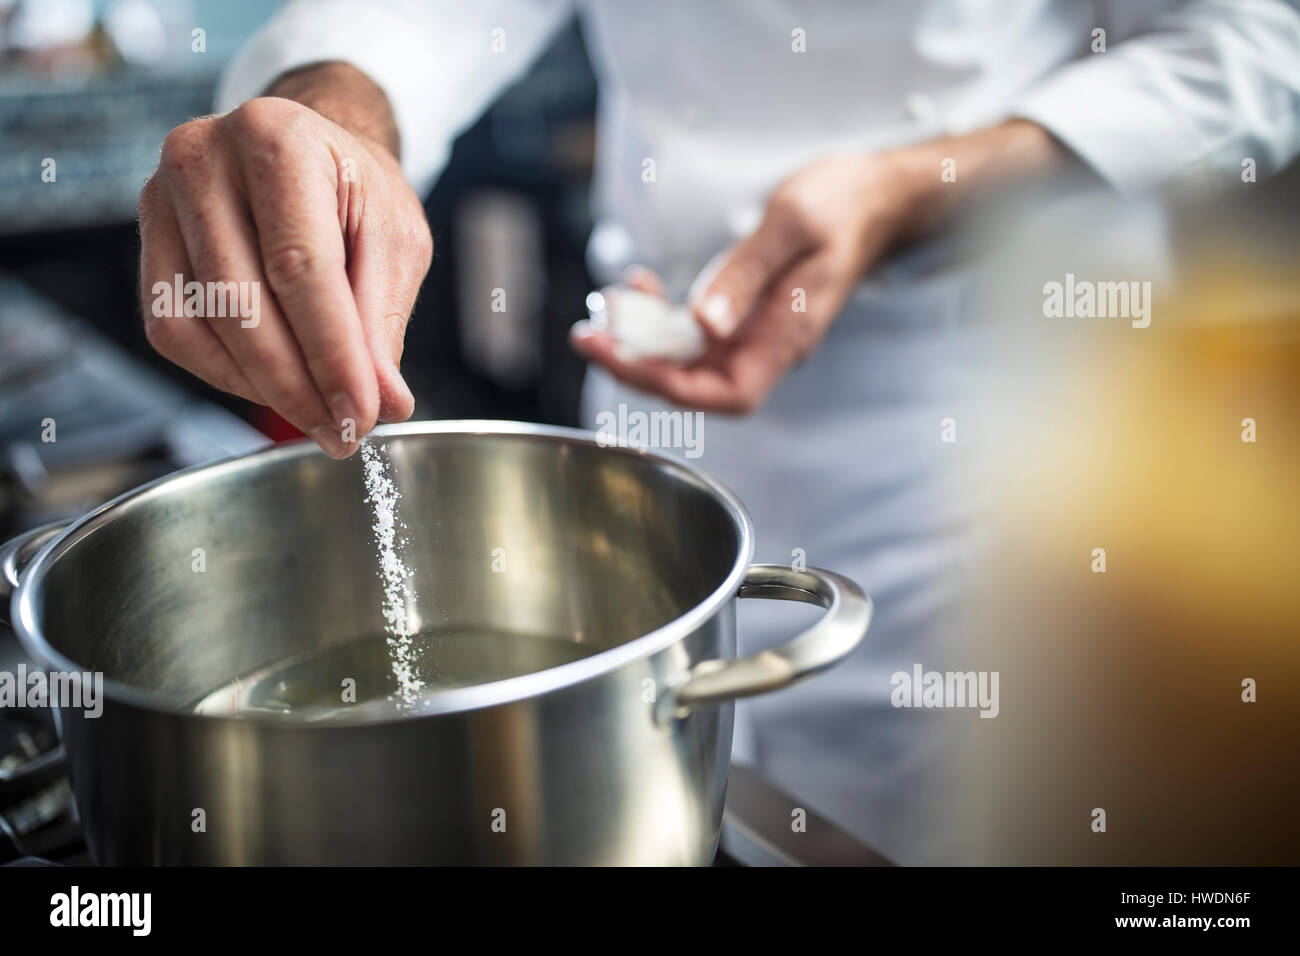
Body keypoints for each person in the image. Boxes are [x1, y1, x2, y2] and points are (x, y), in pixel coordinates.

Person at [138, 0, 1300, 863]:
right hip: (660, 423)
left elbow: (1258, 43)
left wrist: (918, 188)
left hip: (996, 454)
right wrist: (332, 112)